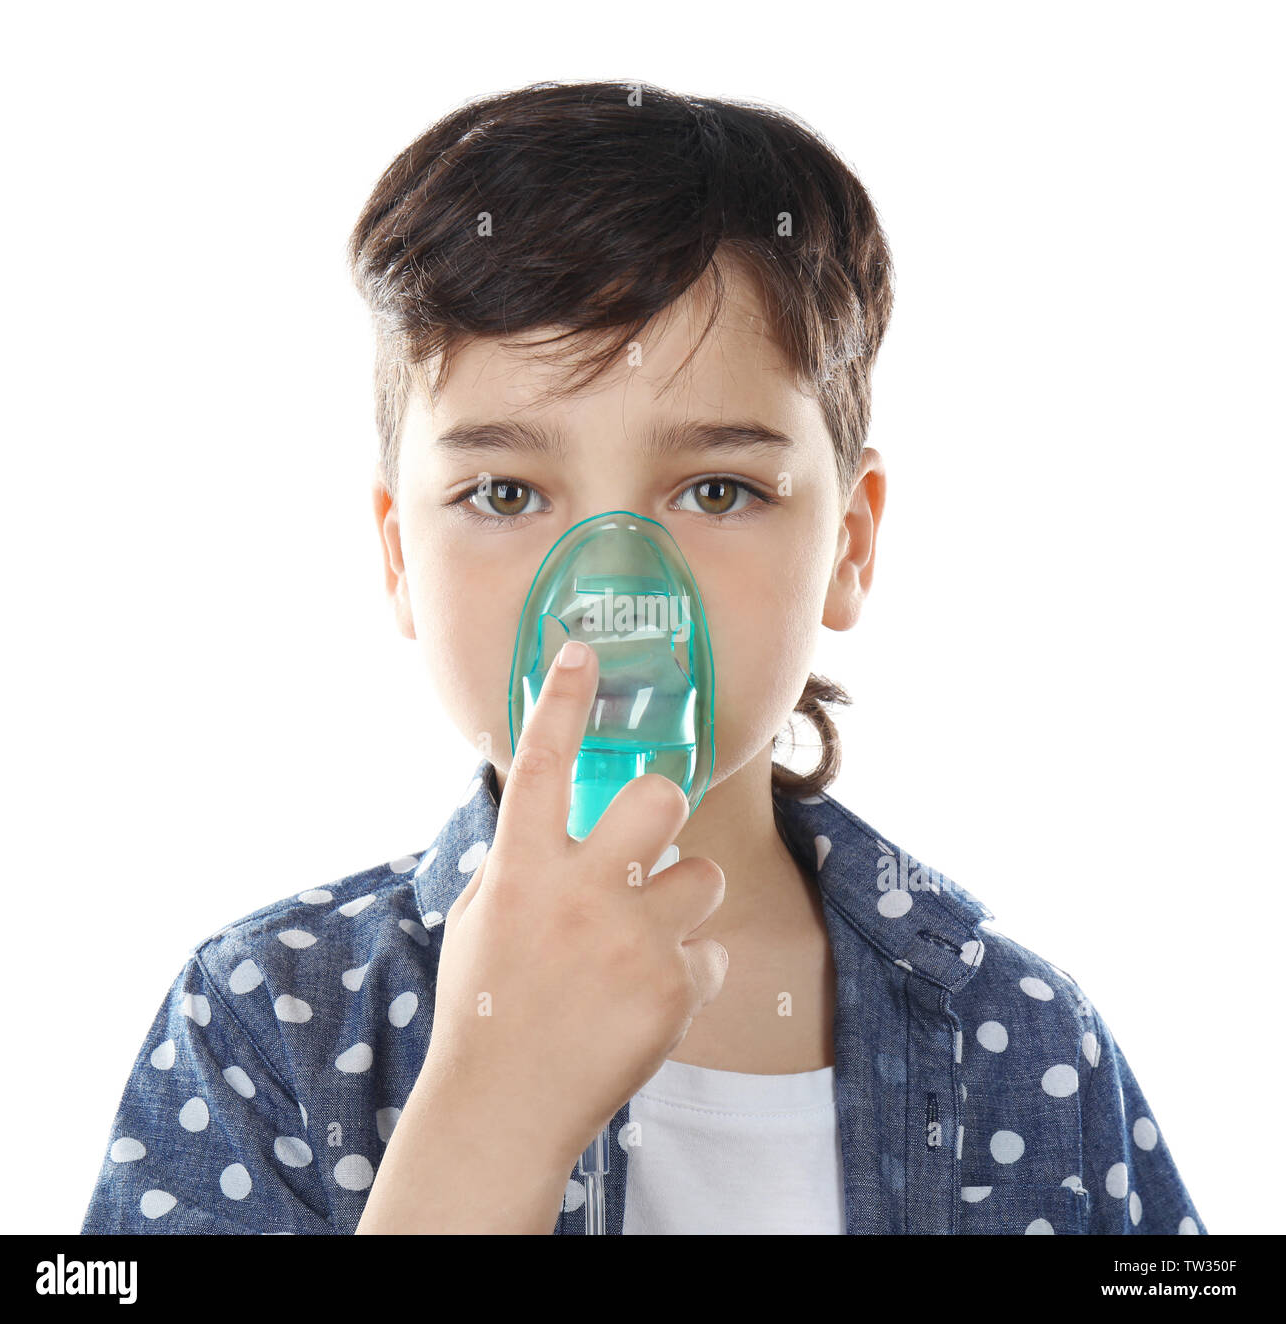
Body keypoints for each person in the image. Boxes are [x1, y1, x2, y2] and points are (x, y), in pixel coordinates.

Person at [80, 79, 1206, 1235]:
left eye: (717, 490)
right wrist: (493, 1109)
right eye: (505, 491)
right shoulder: (268, 1024)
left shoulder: (1023, 1037)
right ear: (399, 557)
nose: (613, 591)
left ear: (849, 542)